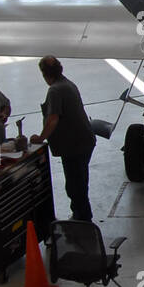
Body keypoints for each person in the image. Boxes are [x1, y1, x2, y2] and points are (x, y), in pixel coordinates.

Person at [30, 55, 96, 222]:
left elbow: (53, 119)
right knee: (80, 181)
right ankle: (81, 214)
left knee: (75, 185)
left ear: (45, 75)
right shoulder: (67, 83)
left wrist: (40, 138)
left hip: (74, 145)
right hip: (84, 141)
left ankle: (82, 219)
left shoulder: (55, 90)